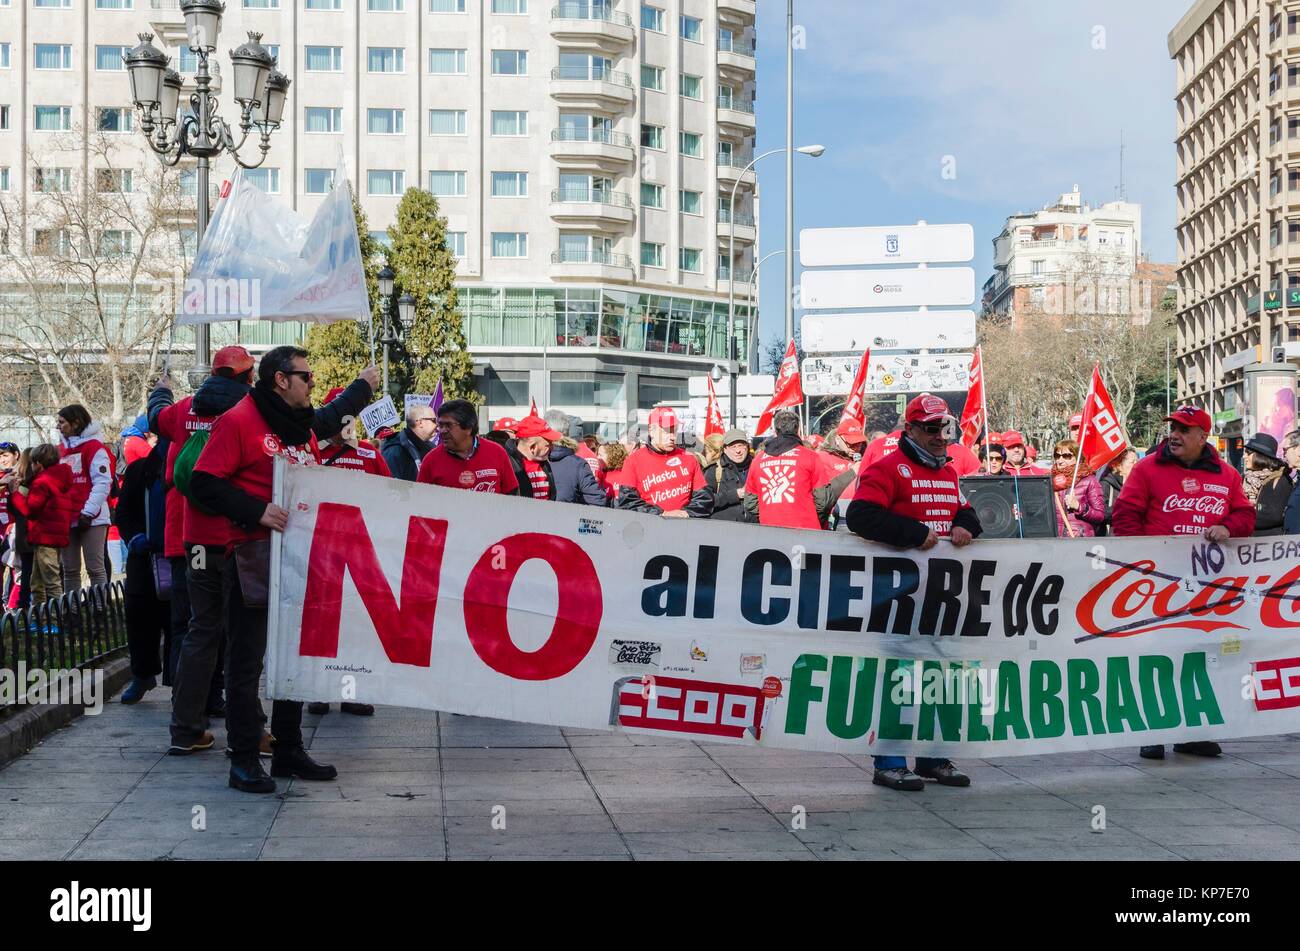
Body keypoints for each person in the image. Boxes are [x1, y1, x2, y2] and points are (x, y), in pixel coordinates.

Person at [186, 347, 371, 793]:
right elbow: (203, 481)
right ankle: (245, 758)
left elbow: (330, 417)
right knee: (246, 664)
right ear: (279, 380)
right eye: (306, 376)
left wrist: (364, 386)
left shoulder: (298, 424)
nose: (312, 383)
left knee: (295, 658)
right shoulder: (240, 420)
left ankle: (287, 749)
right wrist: (256, 511)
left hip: (299, 558)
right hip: (253, 557)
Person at [846, 393, 981, 792]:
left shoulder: (948, 472)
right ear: (910, 430)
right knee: (897, 679)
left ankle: (932, 757)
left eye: (945, 427)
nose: (941, 435)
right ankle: (888, 761)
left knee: (940, 677)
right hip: (896, 598)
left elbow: (966, 511)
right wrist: (914, 534)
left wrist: (966, 527)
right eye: (931, 428)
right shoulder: (888, 468)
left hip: (940, 598)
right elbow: (861, 515)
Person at [1110, 405, 1255, 762]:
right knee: (1156, 656)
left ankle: (1191, 733)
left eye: (1183, 429)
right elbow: (1125, 516)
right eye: (1172, 426)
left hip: (1207, 584)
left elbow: (1245, 515)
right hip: (1154, 584)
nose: (1174, 433)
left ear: (1203, 437)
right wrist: (1139, 561)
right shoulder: (1146, 469)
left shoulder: (1226, 474)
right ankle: (1152, 733)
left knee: (1199, 655)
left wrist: (1228, 527)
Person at [150, 345, 258, 720]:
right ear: (248, 375)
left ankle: (185, 712)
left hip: (184, 534)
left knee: (191, 626)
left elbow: (155, 419)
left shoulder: (185, 409)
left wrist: (161, 390)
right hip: (231, 536)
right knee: (231, 628)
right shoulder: (249, 414)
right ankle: (219, 700)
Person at [114, 440, 171, 704]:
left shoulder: (188, 462)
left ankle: (180, 683)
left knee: (177, 621)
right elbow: (123, 511)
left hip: (178, 555)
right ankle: (142, 675)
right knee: (140, 616)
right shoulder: (139, 470)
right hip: (144, 556)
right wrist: (135, 537)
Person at [743, 411, 855, 529]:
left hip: (770, 530)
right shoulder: (810, 456)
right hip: (806, 531)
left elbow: (750, 503)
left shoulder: (758, 460)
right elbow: (823, 501)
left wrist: (771, 513)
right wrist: (807, 513)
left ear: (775, 431)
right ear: (797, 430)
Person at [5, 444, 73, 611]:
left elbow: (30, 509)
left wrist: (15, 493)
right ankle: (40, 616)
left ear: (38, 464)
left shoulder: (42, 482)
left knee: (50, 580)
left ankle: (55, 618)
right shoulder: (60, 478)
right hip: (53, 535)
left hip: (45, 536)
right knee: (37, 581)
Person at [55, 404, 113, 595]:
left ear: (76, 423)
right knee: (70, 570)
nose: (58, 426)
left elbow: (102, 483)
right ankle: (72, 611)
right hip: (67, 517)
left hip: (92, 518)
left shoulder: (95, 447)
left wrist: (87, 512)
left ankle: (99, 609)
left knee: (95, 568)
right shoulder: (61, 450)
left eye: (62, 422)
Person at [613, 407, 712, 518]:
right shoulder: (633, 461)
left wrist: (686, 513)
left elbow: (705, 499)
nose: (672, 437)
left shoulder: (689, 458)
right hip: (650, 528)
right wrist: (661, 514)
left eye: (674, 430)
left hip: (684, 528)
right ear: (651, 431)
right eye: (666, 431)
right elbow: (627, 502)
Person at [417, 399, 519, 494]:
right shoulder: (431, 461)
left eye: (448, 425)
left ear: (468, 427)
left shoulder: (497, 452)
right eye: (441, 425)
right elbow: (421, 502)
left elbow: (512, 495)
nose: (442, 431)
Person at [316, 387, 393, 478]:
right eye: (340, 415)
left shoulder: (371, 453)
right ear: (329, 416)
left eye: (351, 414)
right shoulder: (313, 452)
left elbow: (389, 489)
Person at [1048, 440, 1106, 538]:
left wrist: (1079, 506)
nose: (1060, 460)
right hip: (1055, 540)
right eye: (1057, 456)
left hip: (1079, 540)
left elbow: (1100, 515)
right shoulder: (1049, 480)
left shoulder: (1089, 480)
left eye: (1066, 456)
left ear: (1077, 457)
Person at [507, 415, 560, 500]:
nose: (552, 447)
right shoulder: (508, 464)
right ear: (533, 447)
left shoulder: (544, 462)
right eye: (548, 444)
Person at [704, 429, 751, 522]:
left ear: (747, 447)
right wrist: (735, 495)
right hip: (724, 530)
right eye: (733, 447)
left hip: (756, 529)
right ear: (725, 449)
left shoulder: (757, 467)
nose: (738, 451)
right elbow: (704, 500)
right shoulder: (714, 470)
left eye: (741, 446)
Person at [383, 402, 437, 481]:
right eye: (434, 420)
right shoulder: (395, 450)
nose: (437, 425)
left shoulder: (432, 448)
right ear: (420, 423)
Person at [1260, 431, 1299, 536]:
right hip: (1290, 545)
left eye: (1285, 450)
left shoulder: (1283, 480)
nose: (1284, 454)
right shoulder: (1297, 480)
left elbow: (1274, 514)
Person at [1097, 447, 1138, 535]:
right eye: (1132, 462)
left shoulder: (1138, 485)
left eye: (1137, 461)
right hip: (1111, 538)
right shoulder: (1106, 484)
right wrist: (1121, 507)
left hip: (1133, 535)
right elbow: (1100, 513)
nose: (1136, 464)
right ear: (1119, 465)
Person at [1241, 432, 1286, 505]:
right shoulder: (1243, 477)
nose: (1244, 456)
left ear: (1260, 456)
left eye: (1248, 452)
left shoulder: (1280, 480)